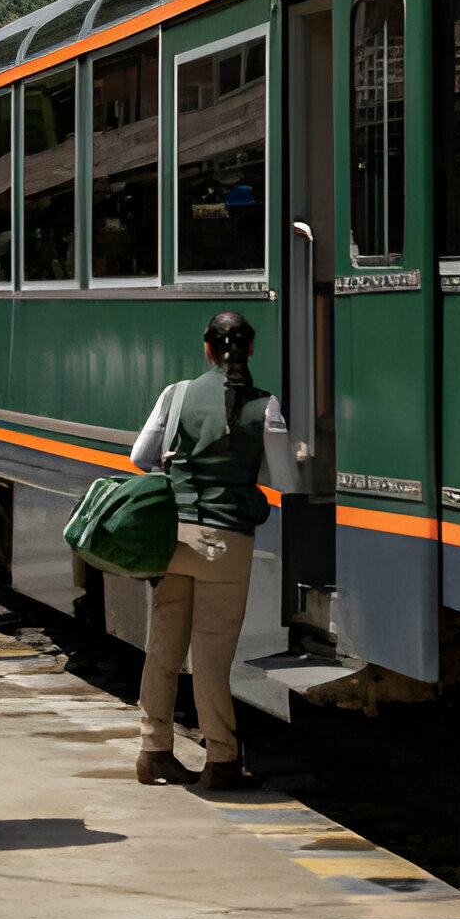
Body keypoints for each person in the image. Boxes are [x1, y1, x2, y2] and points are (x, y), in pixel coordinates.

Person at [129, 311, 272, 793]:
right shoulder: (266, 406)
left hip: (176, 539)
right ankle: (222, 759)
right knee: (211, 657)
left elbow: (139, 458)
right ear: (250, 349)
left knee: (164, 647)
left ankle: (154, 751)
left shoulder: (176, 394)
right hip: (226, 545)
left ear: (207, 348)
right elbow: (287, 483)